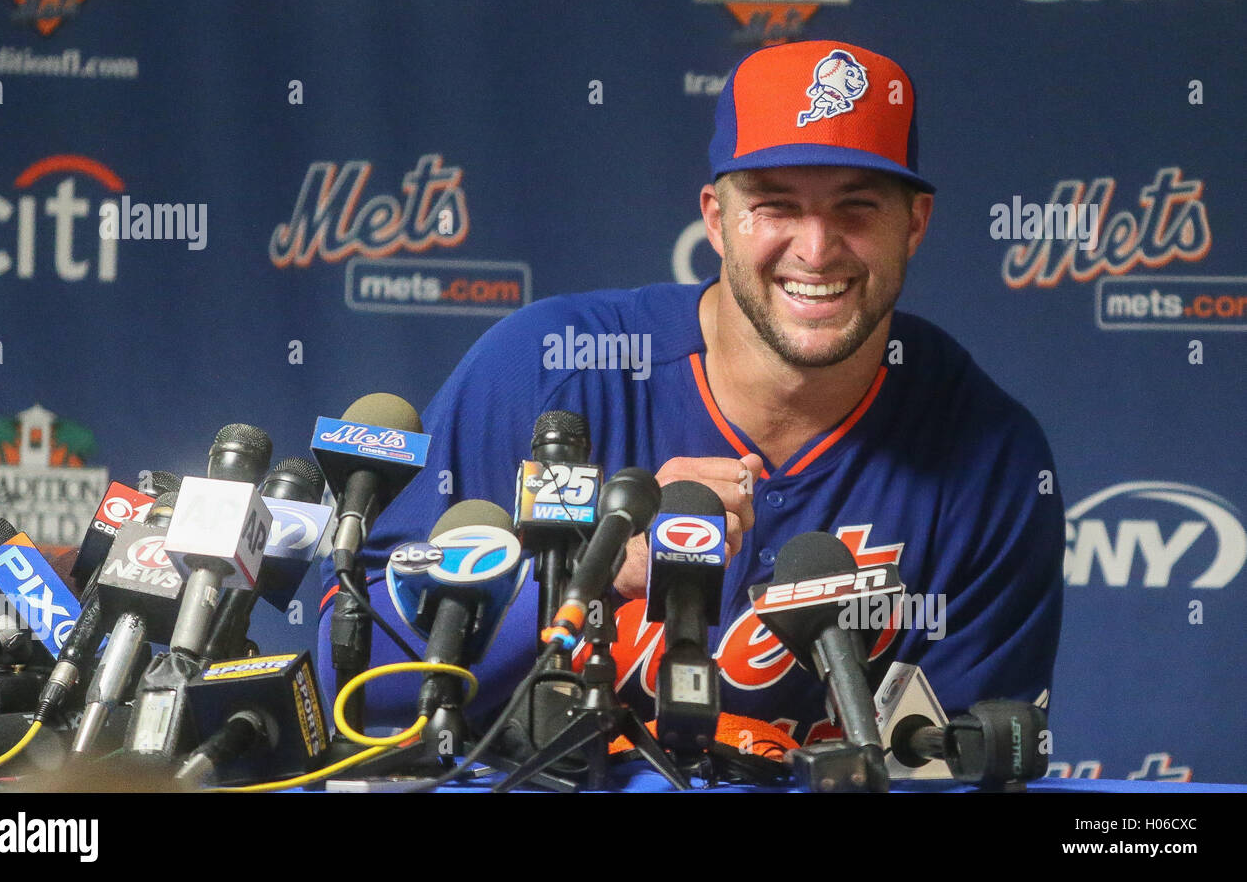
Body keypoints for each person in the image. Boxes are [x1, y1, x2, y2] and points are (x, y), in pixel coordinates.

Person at [318, 40, 1064, 746]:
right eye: (775, 205)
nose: (815, 248)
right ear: (716, 218)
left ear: (915, 224)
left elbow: (962, 766)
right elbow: (355, 681)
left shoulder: (990, 459)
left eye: (856, 207)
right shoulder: (546, 370)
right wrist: (594, 574)